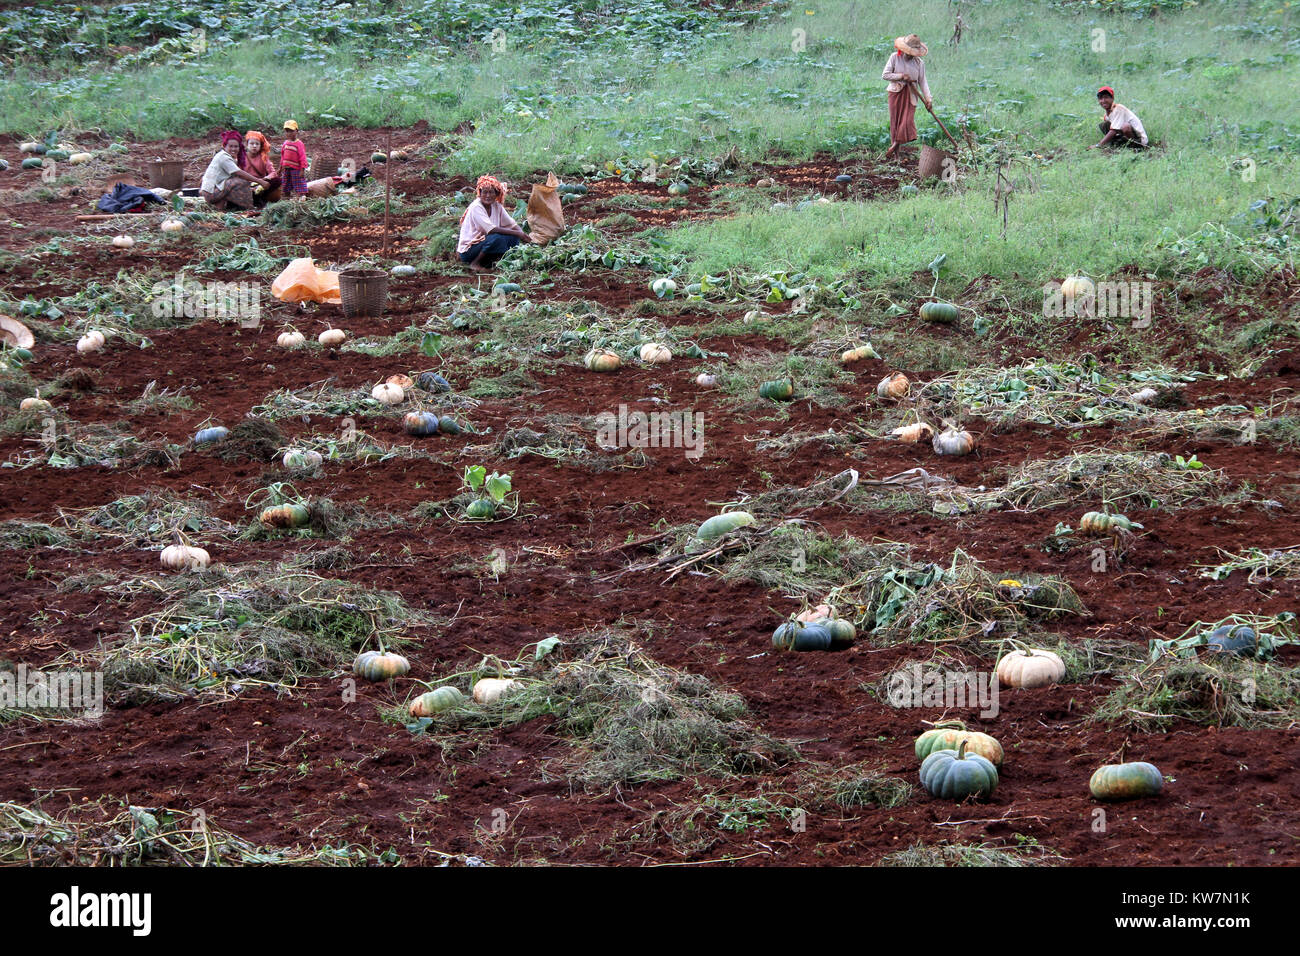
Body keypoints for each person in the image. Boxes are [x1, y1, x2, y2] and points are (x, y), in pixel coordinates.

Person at [457, 175, 532, 272]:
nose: (488, 196)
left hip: (483, 244)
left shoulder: (496, 206)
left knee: (513, 238)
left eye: (491, 192)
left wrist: (522, 234)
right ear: (480, 193)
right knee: (497, 238)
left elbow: (512, 224)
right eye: (485, 192)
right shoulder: (476, 207)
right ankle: (475, 263)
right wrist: (518, 233)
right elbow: (491, 229)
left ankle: (500, 260)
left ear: (496, 194)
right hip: (470, 250)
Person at [882, 34, 933, 159]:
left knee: (907, 121)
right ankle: (896, 154)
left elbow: (923, 82)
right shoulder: (894, 57)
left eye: (914, 52)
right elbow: (885, 75)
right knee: (896, 122)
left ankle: (894, 145)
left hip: (911, 95)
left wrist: (928, 99)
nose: (911, 54)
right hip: (896, 93)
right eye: (909, 51)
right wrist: (901, 76)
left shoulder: (919, 63)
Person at [200, 131, 271, 210]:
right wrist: (260, 182)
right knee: (240, 182)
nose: (233, 149)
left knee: (234, 182)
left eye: (236, 146)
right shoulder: (223, 157)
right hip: (211, 193)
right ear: (224, 146)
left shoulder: (229, 156)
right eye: (230, 146)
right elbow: (239, 173)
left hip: (214, 190)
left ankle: (222, 206)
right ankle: (249, 207)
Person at [243, 130, 281, 205]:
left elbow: (273, 173)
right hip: (246, 184)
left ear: (260, 146)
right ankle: (255, 199)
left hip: (261, 185)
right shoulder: (242, 157)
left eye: (257, 144)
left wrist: (264, 179)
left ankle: (261, 198)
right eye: (252, 143)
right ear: (247, 145)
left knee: (278, 180)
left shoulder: (263, 157)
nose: (254, 146)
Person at [279, 120, 310, 199]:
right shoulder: (285, 143)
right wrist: (280, 168)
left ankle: (302, 197)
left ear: (296, 131)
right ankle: (286, 198)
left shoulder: (299, 144)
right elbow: (283, 156)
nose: (289, 133)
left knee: (299, 183)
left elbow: (302, 157)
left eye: (291, 131)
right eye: (287, 131)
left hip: (296, 169)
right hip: (286, 169)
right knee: (286, 184)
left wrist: (302, 170)